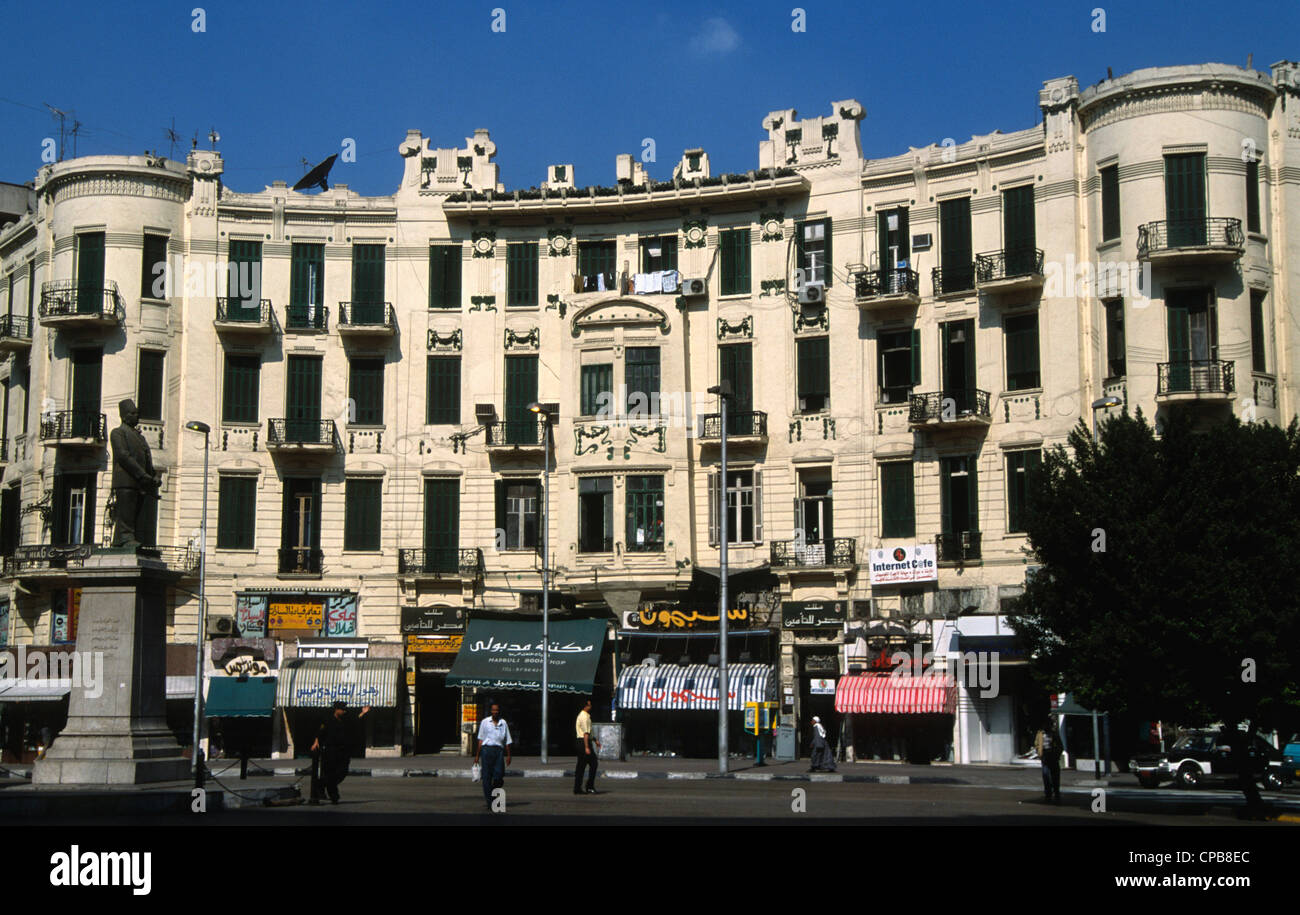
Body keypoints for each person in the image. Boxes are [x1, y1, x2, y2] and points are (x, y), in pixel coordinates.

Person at [109, 399, 161, 548]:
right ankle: (125, 538)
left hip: (139, 483)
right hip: (126, 481)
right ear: (124, 416)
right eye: (133, 413)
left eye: (137, 413)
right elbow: (123, 456)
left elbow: (146, 458)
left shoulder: (140, 437)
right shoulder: (118, 433)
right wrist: (142, 475)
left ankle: (120, 540)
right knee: (126, 512)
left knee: (134, 514)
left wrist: (153, 477)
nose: (136, 416)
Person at [309, 700, 370, 805]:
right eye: (342, 709)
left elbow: (355, 721)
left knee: (342, 772)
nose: (344, 711)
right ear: (337, 710)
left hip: (343, 751)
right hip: (330, 751)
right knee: (330, 774)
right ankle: (334, 796)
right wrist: (315, 742)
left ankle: (321, 786)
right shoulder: (328, 720)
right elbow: (320, 732)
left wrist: (363, 713)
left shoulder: (345, 720)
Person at [474, 702, 512, 809]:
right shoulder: (485, 722)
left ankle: (493, 796)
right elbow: (481, 740)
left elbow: (507, 741)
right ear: (491, 711)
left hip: (499, 752)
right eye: (493, 710)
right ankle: (490, 802)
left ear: (499, 711)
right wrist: (477, 756)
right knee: (486, 777)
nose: (495, 712)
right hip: (486, 751)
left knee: (499, 776)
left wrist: (509, 756)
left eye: (497, 710)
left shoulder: (503, 723)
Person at [574, 698, 601, 795]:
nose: (591, 706)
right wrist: (587, 747)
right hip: (583, 743)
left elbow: (589, 733)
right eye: (589, 705)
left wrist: (595, 740)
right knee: (593, 764)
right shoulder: (584, 717)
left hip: (582, 742)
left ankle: (578, 788)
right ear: (585, 706)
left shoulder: (584, 716)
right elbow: (585, 734)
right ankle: (589, 786)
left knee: (581, 766)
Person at [1035, 721, 1063, 802]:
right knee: (1045, 775)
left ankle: (1056, 791)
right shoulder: (1040, 734)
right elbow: (1037, 744)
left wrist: (1057, 755)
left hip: (1053, 756)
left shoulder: (1054, 734)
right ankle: (1048, 792)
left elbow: (1060, 746)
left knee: (1055, 775)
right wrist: (1039, 753)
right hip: (1044, 757)